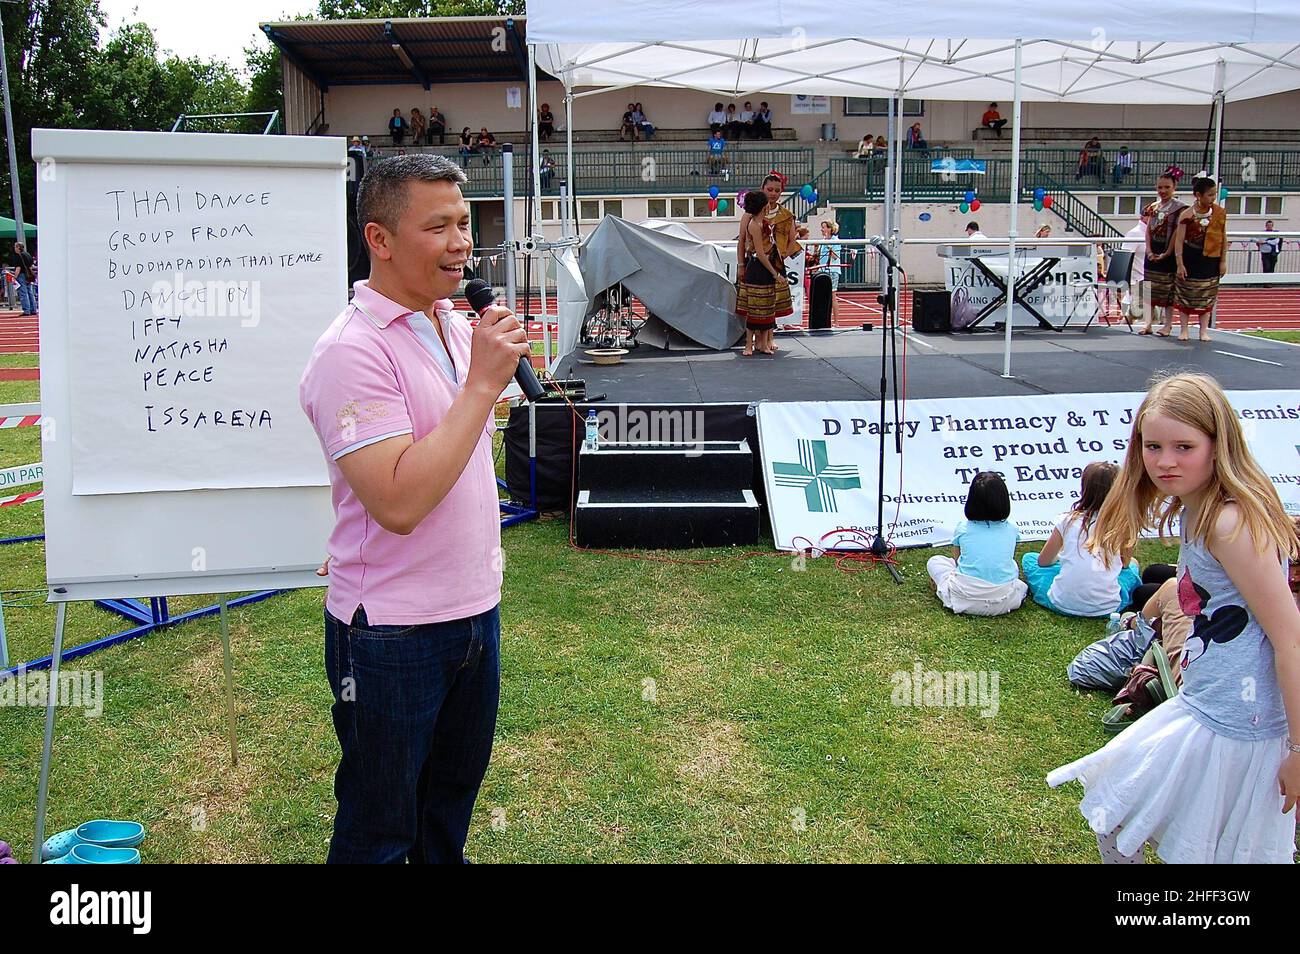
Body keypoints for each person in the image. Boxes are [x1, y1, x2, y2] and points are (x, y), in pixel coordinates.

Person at [299, 153, 531, 864]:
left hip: (473, 614)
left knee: (445, 815)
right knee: (379, 829)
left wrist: (488, 379)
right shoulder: (350, 351)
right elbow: (398, 502)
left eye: (465, 222)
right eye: (439, 226)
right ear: (381, 239)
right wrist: (480, 388)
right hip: (392, 635)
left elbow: (464, 450)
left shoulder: (454, 325)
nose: (462, 241)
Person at [1048, 373, 1300, 864]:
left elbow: (1290, 638)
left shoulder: (1228, 523)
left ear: (1217, 444)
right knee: (1123, 819)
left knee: (1183, 841)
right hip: (1206, 702)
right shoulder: (1197, 511)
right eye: (1153, 445)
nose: (1165, 461)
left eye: (1184, 446)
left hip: (1238, 725)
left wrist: (1299, 747)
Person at [1022, 462, 1143, 617]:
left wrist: (1063, 560)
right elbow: (1125, 564)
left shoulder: (1067, 520)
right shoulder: (1124, 524)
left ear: (1084, 488)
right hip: (1108, 607)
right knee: (1133, 566)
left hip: (1061, 602)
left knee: (1029, 559)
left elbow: (1043, 561)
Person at [926, 472, 1027, 616]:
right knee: (1013, 570)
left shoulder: (963, 528)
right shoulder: (1012, 529)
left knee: (935, 561)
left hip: (964, 598)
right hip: (1005, 601)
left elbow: (957, 562)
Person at [1172, 176, 1228, 343]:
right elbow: (1179, 241)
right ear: (1198, 195)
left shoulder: (1219, 213)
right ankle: (1183, 329)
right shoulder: (1187, 215)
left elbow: (1223, 237)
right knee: (1186, 294)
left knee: (1207, 295)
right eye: (1210, 195)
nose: (1213, 198)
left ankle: (1203, 330)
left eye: (1214, 194)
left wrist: (1223, 261)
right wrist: (1180, 264)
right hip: (1191, 257)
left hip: (1211, 259)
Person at [735, 189, 787, 356]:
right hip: (758, 268)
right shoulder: (754, 225)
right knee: (755, 307)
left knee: (768, 307)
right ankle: (749, 344)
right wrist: (775, 273)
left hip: (765, 266)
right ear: (764, 206)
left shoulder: (763, 224)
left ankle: (763, 343)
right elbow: (760, 253)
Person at [1136, 173, 1186, 337]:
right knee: (1149, 289)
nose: (1163, 191)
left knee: (1168, 292)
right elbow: (1148, 231)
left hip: (1169, 254)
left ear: (1174, 187)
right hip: (1152, 253)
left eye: (1167, 187)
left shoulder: (1180, 208)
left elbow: (1177, 234)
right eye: (1160, 187)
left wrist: (1167, 253)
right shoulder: (1153, 207)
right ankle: (1148, 323)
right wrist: (1149, 250)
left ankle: (1168, 324)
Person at [759, 172, 800, 352]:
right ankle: (754, 339)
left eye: (777, 190)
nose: (773, 193)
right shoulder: (754, 211)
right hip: (757, 261)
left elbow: (792, 240)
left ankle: (770, 338)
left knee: (772, 303)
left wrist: (781, 256)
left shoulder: (787, 215)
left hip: (777, 264)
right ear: (763, 189)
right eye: (770, 190)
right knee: (757, 303)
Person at [810, 220, 856, 321]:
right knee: (822, 295)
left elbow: (835, 256)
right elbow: (820, 257)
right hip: (823, 270)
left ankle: (836, 321)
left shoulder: (835, 240)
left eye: (824, 227)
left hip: (833, 270)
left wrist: (828, 245)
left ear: (829, 229)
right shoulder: (823, 241)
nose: (822, 230)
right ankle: (824, 319)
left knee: (833, 294)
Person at [10, 241, 36, 316]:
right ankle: (33, 309)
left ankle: (26, 310)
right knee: (30, 292)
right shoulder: (27, 254)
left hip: (22, 275)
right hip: (29, 275)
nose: (14, 248)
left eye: (15, 246)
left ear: (18, 247)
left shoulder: (18, 256)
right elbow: (31, 266)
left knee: (23, 293)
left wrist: (15, 277)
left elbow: (18, 268)